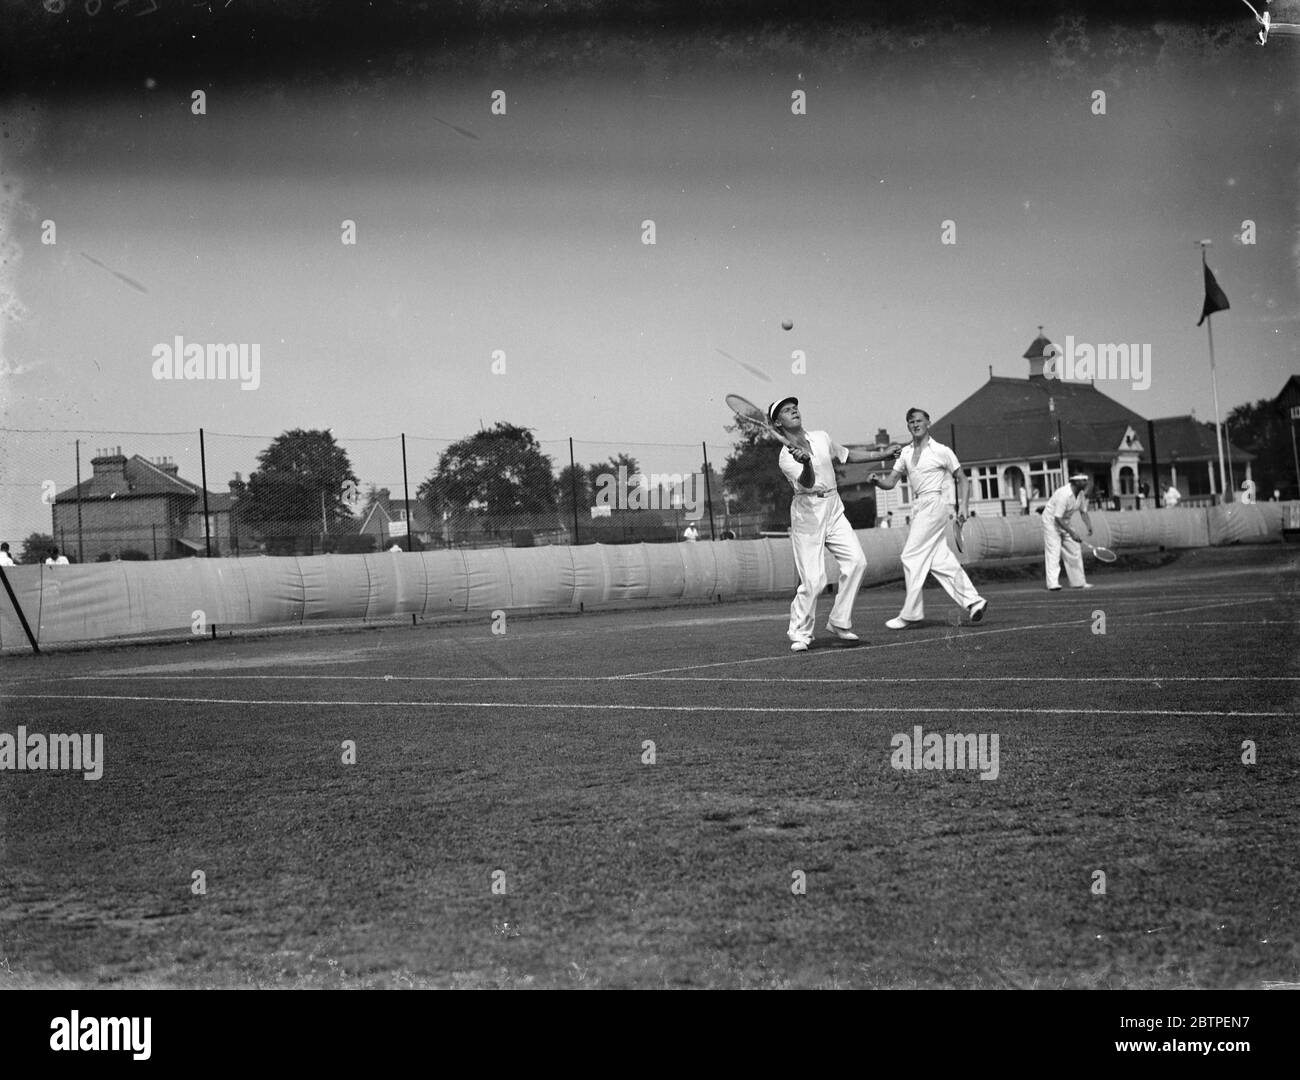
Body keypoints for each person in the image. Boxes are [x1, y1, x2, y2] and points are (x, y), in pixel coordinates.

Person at [771, 396, 882, 651]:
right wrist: (806, 463)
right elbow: (807, 483)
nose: (794, 411)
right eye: (787, 411)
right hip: (807, 511)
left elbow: (847, 455)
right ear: (779, 423)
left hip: (834, 505)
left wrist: (882, 453)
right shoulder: (784, 457)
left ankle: (839, 621)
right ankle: (799, 633)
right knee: (814, 580)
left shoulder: (821, 437)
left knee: (857, 562)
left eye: (794, 407)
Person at [868, 407, 987, 629]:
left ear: (928, 423)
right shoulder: (904, 453)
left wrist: (964, 508)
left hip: (935, 505)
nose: (915, 424)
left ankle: (911, 613)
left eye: (919, 421)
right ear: (908, 426)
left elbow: (963, 479)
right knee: (940, 560)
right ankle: (974, 601)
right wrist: (876, 481)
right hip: (919, 506)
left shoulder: (942, 451)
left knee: (910, 556)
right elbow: (891, 481)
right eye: (911, 422)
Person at [1043, 472, 1094, 590]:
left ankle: (1078, 582)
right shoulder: (1064, 494)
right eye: (1083, 480)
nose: (1086, 482)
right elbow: (1057, 517)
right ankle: (1052, 584)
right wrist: (1072, 532)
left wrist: (1089, 525)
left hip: (1064, 521)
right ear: (1075, 482)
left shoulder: (1080, 494)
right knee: (1054, 551)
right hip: (1051, 522)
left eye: (1086, 480)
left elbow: (1083, 511)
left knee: (1074, 549)